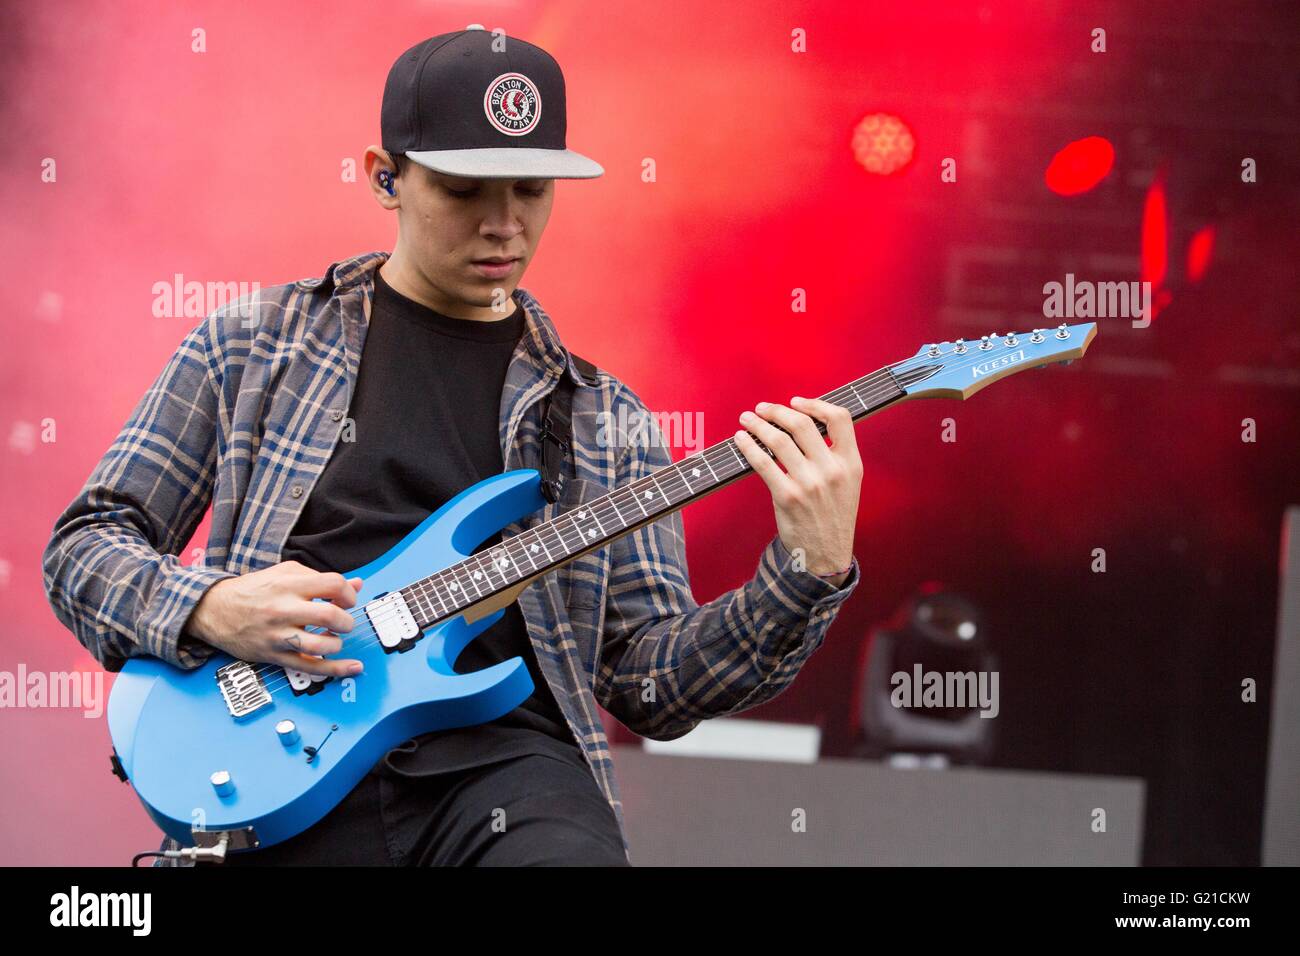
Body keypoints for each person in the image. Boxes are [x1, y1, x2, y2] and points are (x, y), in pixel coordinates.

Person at [42, 26, 863, 866]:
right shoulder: (253, 344)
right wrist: (211, 609)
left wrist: (807, 572)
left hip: (507, 773)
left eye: (530, 189)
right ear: (383, 176)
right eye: (466, 188)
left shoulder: (601, 417)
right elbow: (82, 548)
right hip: (284, 772)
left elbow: (652, 686)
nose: (504, 225)